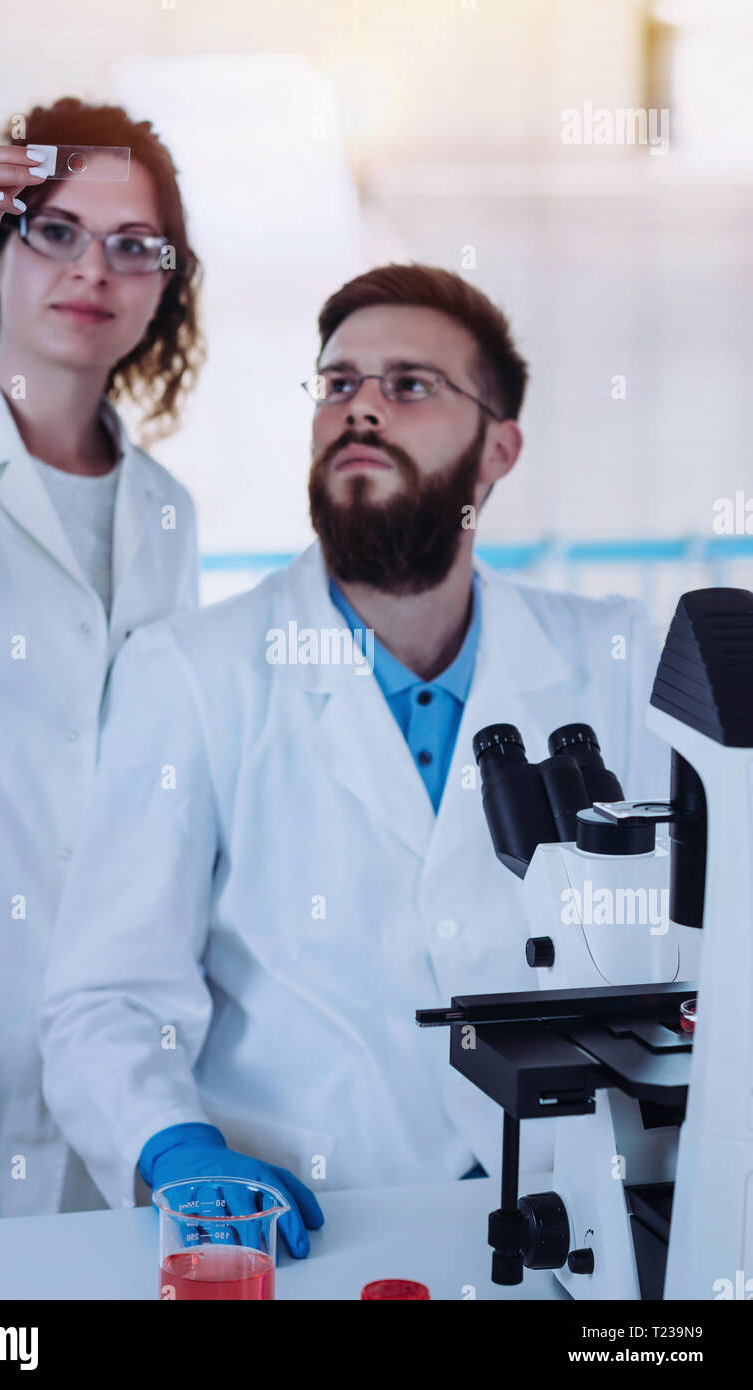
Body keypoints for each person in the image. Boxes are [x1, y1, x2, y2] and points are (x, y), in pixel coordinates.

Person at [39, 264, 670, 1260]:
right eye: (337, 384)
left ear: (497, 448)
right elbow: (108, 994)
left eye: (407, 384)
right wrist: (170, 1142)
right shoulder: (192, 673)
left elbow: (703, 942)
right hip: (307, 1230)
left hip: (574, 1214)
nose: (360, 408)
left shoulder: (613, 657)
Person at [0, 97, 203, 1225]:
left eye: (134, 246)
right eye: (55, 229)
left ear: (167, 282)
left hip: (96, 1053)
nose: (93, 270)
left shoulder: (167, 516)